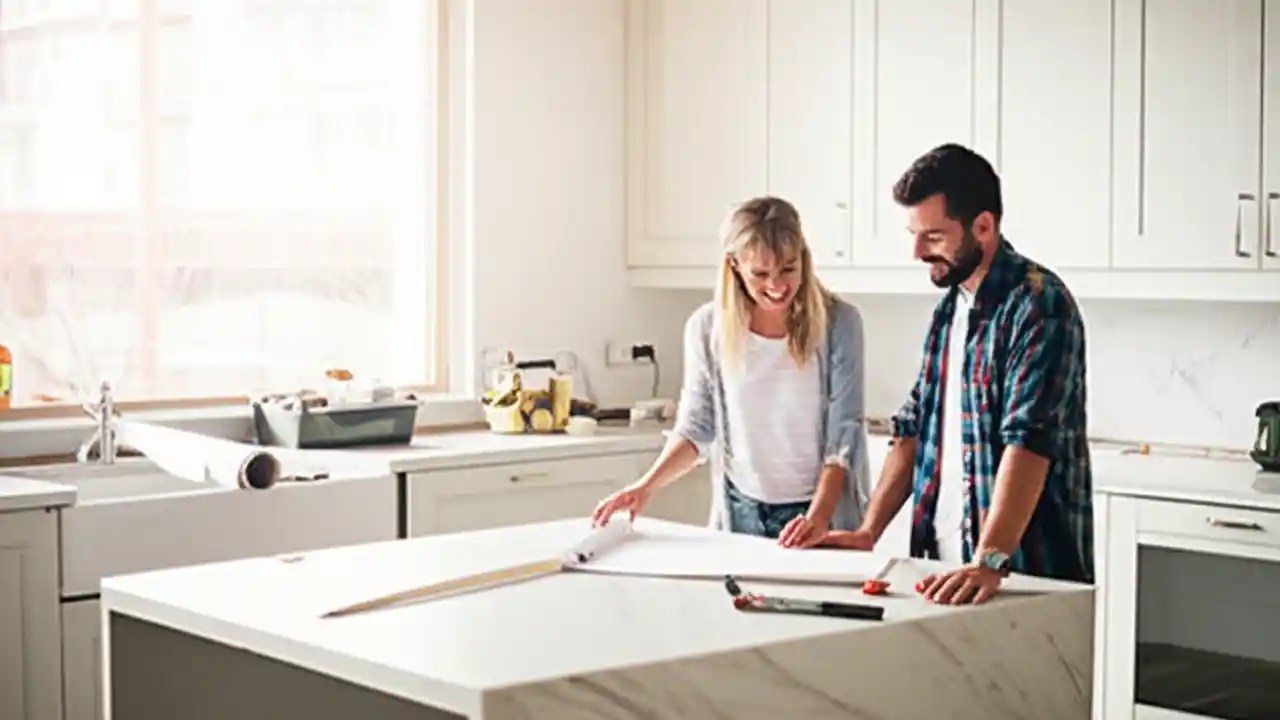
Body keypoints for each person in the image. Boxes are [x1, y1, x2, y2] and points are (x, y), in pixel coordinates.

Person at [820, 143, 1092, 603]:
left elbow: (1029, 442)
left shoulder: (1039, 304)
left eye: (933, 236)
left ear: (983, 226)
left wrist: (989, 560)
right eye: (913, 234)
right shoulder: (951, 308)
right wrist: (868, 532)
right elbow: (914, 427)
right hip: (944, 566)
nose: (917, 252)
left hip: (1020, 573)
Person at [591, 196, 870, 547]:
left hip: (821, 512)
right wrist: (645, 486)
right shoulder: (707, 328)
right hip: (741, 511)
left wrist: (816, 518)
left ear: (804, 259)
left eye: (788, 268)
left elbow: (843, 439)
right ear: (735, 266)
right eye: (761, 274)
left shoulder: (840, 324)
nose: (777, 286)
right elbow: (696, 429)